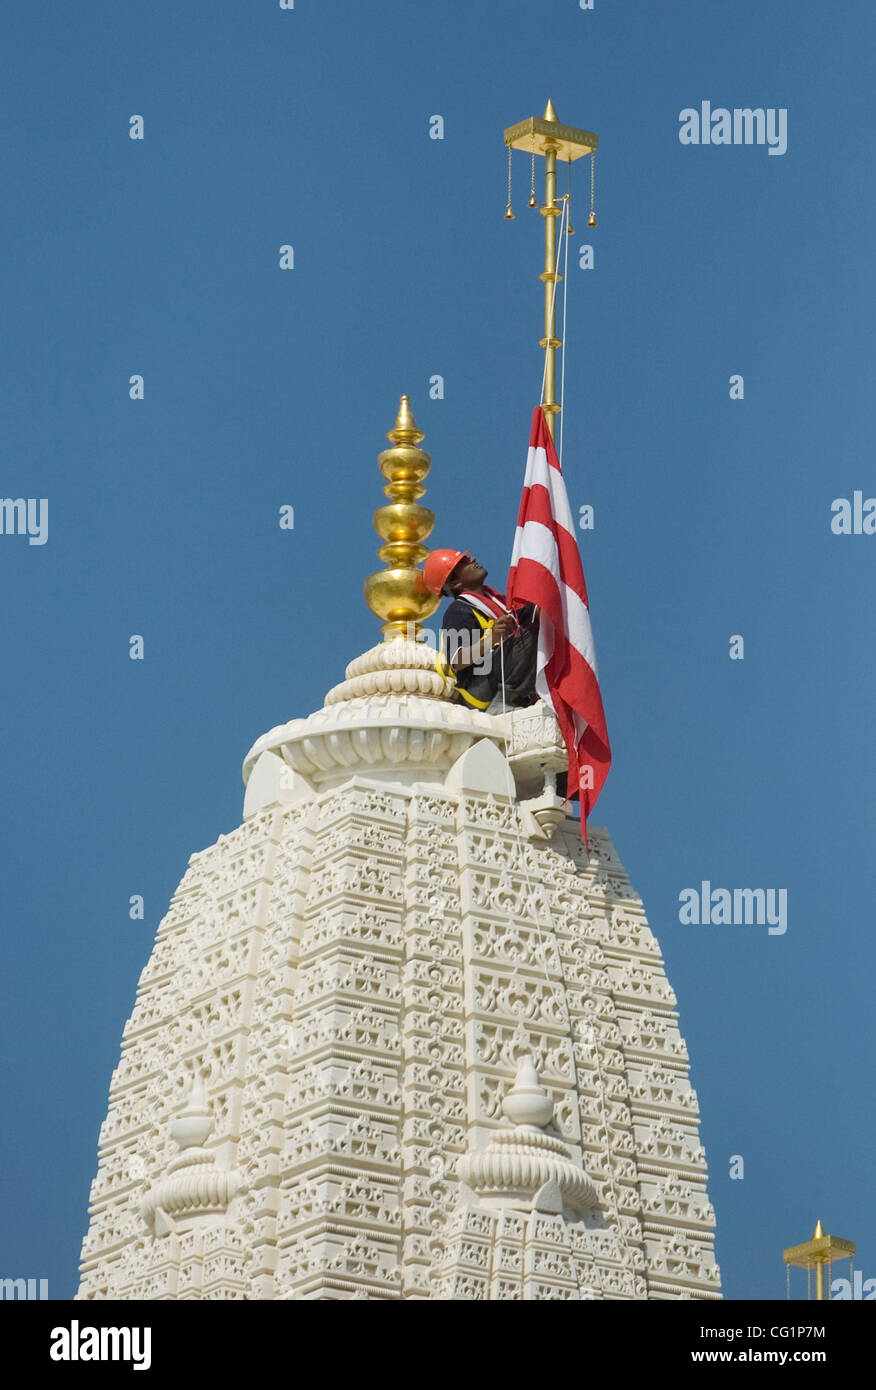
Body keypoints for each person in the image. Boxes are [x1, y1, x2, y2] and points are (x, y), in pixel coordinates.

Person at [421, 548, 539, 714]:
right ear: (455, 583)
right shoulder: (459, 610)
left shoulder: (500, 603)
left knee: (536, 625)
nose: (472, 559)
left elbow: (532, 615)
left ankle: (520, 695)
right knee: (526, 635)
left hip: (498, 676)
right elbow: (456, 659)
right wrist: (491, 639)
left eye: (467, 557)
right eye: (463, 562)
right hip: (480, 689)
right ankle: (503, 698)